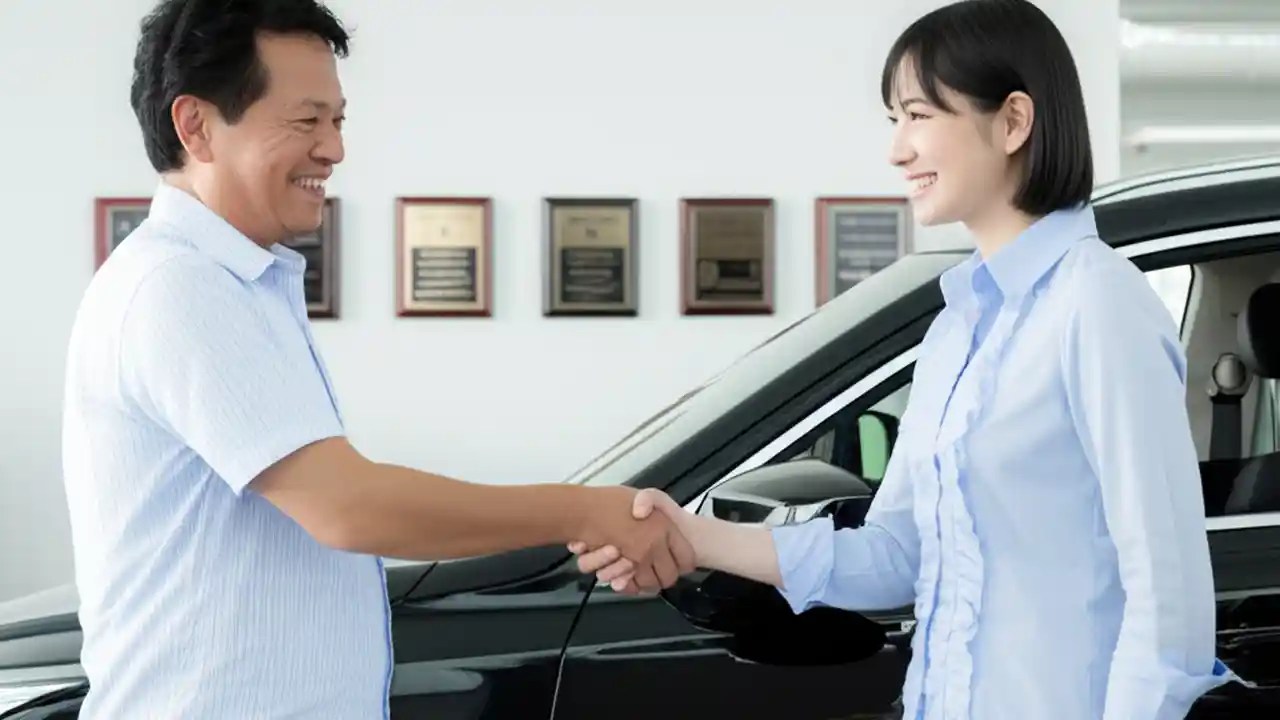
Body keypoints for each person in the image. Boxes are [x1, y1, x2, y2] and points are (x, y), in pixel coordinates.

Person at [570, 1, 1243, 718]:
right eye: (895, 119)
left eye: (918, 115)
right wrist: (693, 534)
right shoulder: (958, 327)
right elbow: (897, 553)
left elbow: (1169, 601)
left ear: (1013, 121)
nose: (897, 150)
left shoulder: (1097, 302)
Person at [61, 1, 692, 718]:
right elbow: (347, 507)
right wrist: (580, 510)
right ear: (196, 125)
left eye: (338, 120)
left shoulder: (233, 284)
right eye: (307, 121)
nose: (334, 149)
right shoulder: (179, 287)